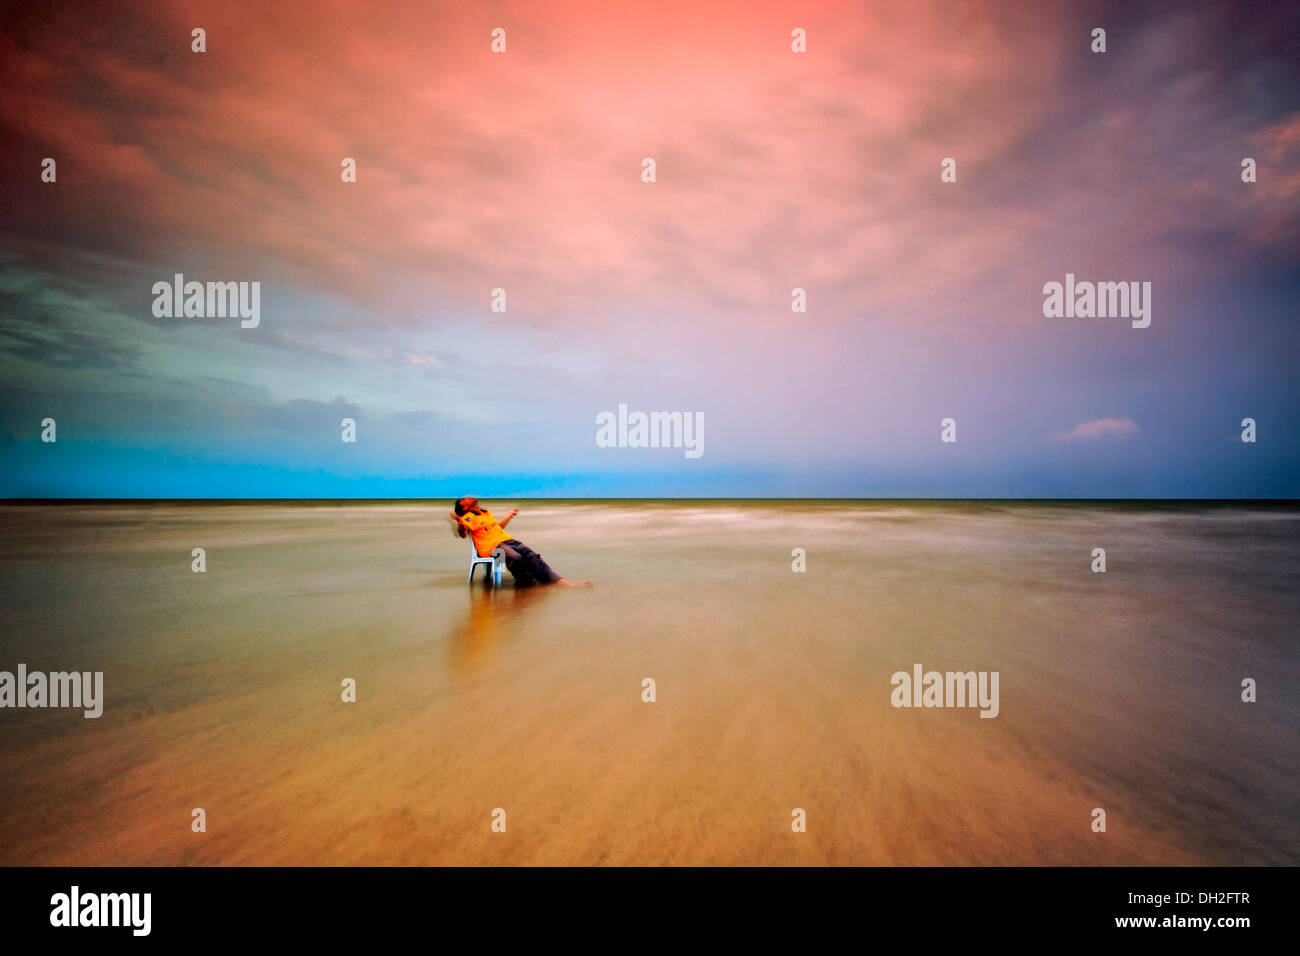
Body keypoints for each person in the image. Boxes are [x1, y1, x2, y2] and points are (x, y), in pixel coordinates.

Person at [449, 497, 591, 587]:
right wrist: (459, 524)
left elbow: (497, 527)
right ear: (464, 507)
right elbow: (462, 534)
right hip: (492, 548)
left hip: (507, 540)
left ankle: (560, 582)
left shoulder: (485, 512)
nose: (468, 496)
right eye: (464, 498)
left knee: (532, 556)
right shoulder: (468, 517)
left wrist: (509, 516)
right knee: (515, 557)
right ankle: (527, 584)